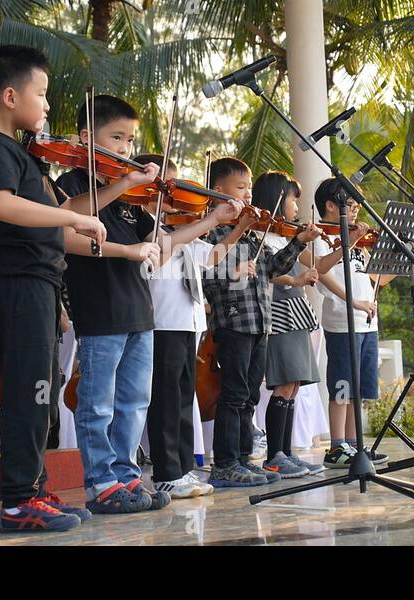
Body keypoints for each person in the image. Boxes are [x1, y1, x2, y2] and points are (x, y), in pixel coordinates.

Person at [0, 46, 152, 532]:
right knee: (31, 395)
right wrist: (75, 217)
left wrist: (120, 186)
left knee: (41, 395)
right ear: (10, 96)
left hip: (40, 284)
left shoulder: (24, 155)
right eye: (41, 94)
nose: (48, 106)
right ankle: (16, 502)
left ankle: (33, 489)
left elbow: (69, 205)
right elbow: (2, 205)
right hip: (16, 283)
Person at [58, 95, 205, 514]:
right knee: (98, 403)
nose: (124, 149)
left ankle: (125, 477)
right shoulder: (72, 185)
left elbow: (161, 243)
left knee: (133, 403)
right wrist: (130, 246)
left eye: (129, 140)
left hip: (141, 312)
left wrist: (177, 230)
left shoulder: (132, 197)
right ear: (87, 137)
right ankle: (101, 483)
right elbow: (69, 236)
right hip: (100, 311)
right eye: (116, 138)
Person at [202, 157, 323, 487]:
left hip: (260, 324)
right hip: (234, 323)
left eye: (249, 188)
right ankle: (225, 463)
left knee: (250, 396)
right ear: (218, 192)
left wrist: (297, 243)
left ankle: (243, 459)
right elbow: (206, 277)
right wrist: (235, 269)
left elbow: (273, 269)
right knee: (234, 393)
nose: (248, 194)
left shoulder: (253, 235)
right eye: (240, 188)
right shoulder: (213, 231)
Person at [137, 153, 248, 499]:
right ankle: (166, 471)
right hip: (162, 323)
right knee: (167, 400)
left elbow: (213, 258)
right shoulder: (150, 228)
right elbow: (163, 253)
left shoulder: (182, 229)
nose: (176, 196)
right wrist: (209, 221)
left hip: (189, 323)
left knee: (185, 398)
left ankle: (183, 469)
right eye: (166, 189)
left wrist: (238, 227)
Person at [311, 178, 391, 469]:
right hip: (342, 321)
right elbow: (321, 272)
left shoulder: (358, 239)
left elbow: (375, 279)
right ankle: (336, 447)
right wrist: (351, 241)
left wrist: (405, 261)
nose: (356, 210)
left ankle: (356, 445)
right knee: (343, 386)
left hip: (368, 322)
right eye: (351, 204)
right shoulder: (321, 236)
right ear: (331, 205)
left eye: (357, 205)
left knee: (360, 388)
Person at [250, 172, 325, 479]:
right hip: (279, 311)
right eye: (293, 198)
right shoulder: (262, 235)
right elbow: (267, 271)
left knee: (294, 385)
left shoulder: (284, 235)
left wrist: (349, 241)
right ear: (278, 198)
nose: (296, 205)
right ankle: (274, 455)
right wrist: (296, 279)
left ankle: (287, 452)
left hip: (295, 310)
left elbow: (319, 266)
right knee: (283, 382)